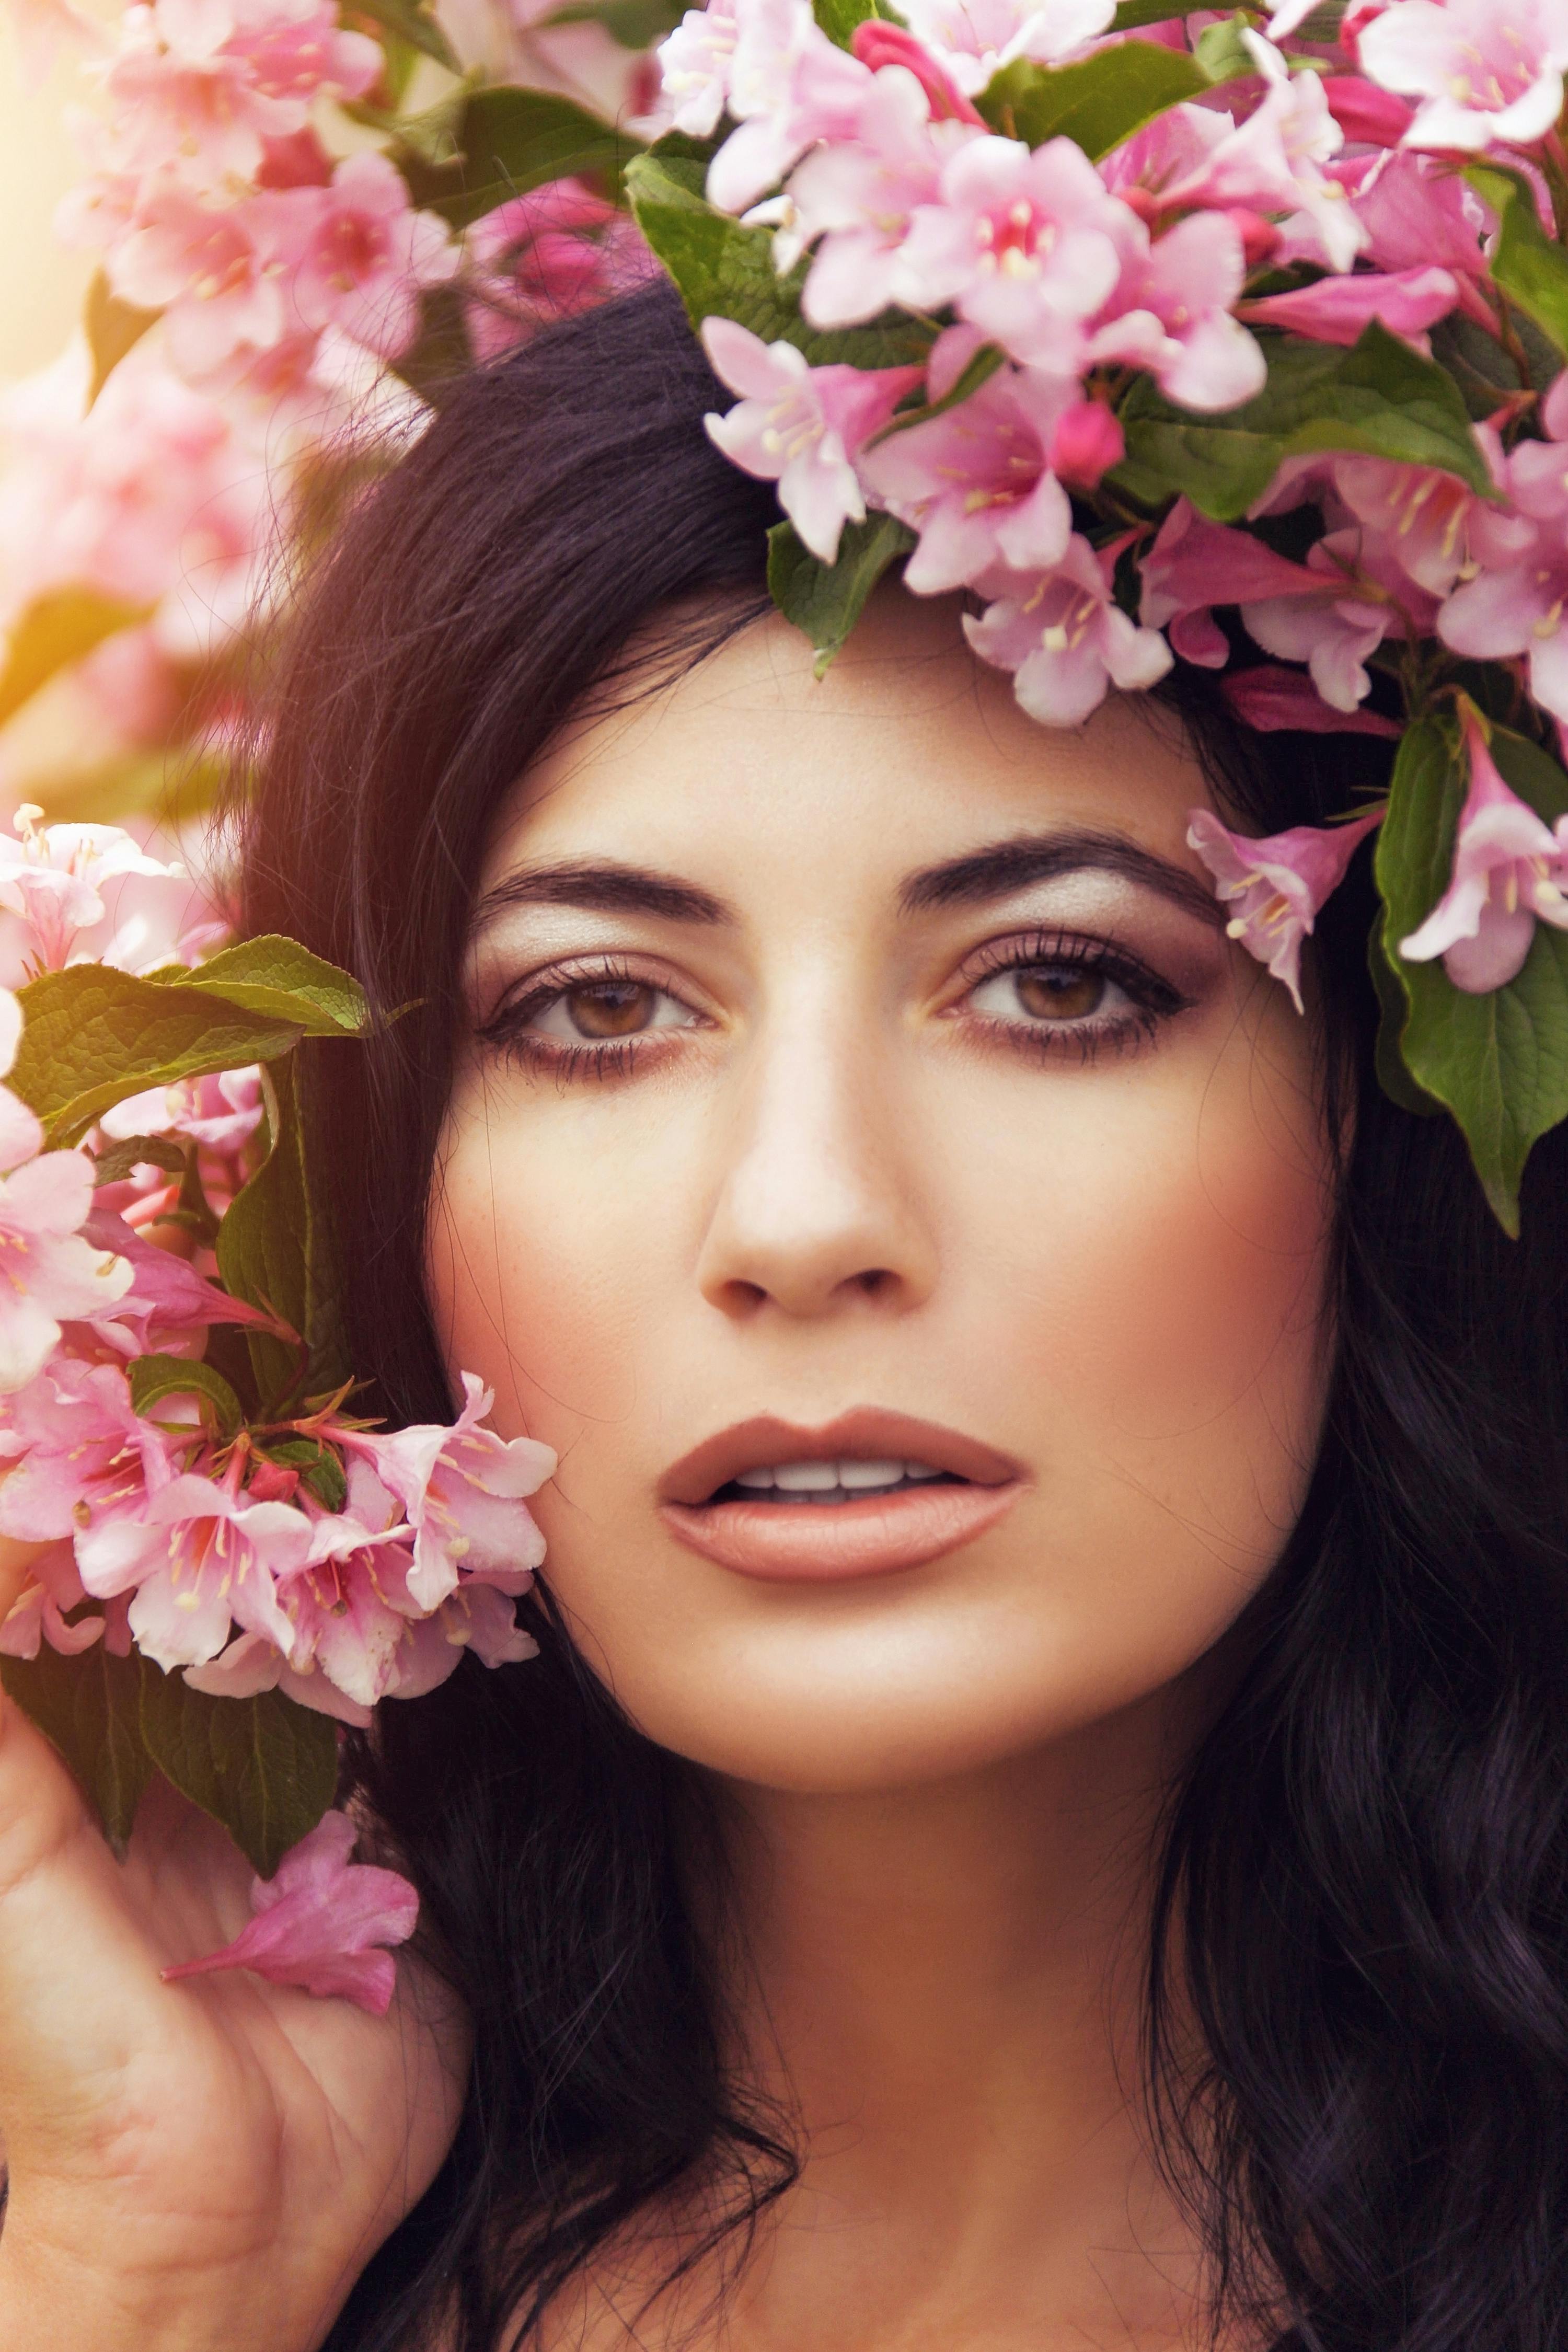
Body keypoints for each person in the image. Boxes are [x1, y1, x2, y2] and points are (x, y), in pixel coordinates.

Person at [1, 279, 1566, 2352]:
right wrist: (161, 2278)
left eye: (1059, 982)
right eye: (598, 1009)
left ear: (1376, 1112)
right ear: (378, 1171)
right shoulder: (161, 2234)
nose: (807, 1217)